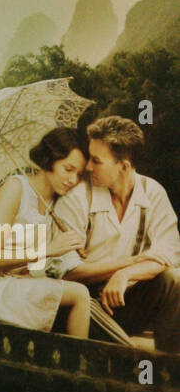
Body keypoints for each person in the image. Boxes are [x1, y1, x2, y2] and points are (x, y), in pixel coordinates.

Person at [50, 116, 180, 351]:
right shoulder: (76, 198)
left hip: (122, 299)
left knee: (174, 280)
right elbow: (66, 274)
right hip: (83, 305)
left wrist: (125, 274)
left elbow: (168, 255)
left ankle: (169, 367)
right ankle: (129, 355)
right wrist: (128, 263)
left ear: (124, 166)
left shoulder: (153, 193)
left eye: (96, 161)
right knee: (80, 297)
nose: (88, 167)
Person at [0, 127, 91, 336]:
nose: (73, 180)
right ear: (49, 161)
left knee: (61, 289)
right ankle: (79, 366)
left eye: (79, 174)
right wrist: (47, 250)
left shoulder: (56, 201)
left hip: (11, 279)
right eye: (68, 169)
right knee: (79, 294)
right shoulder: (15, 189)